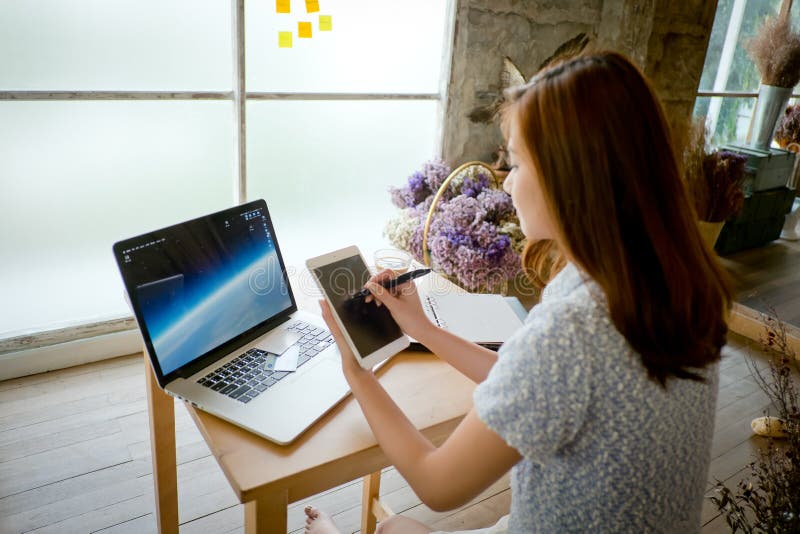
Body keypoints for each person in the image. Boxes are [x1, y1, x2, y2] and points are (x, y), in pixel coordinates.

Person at [306, 51, 732, 533]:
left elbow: (437, 485)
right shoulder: (666, 285)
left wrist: (357, 373)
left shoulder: (574, 326)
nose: (506, 181)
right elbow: (535, 382)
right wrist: (421, 328)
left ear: (570, 176)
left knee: (391, 529)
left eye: (516, 162)